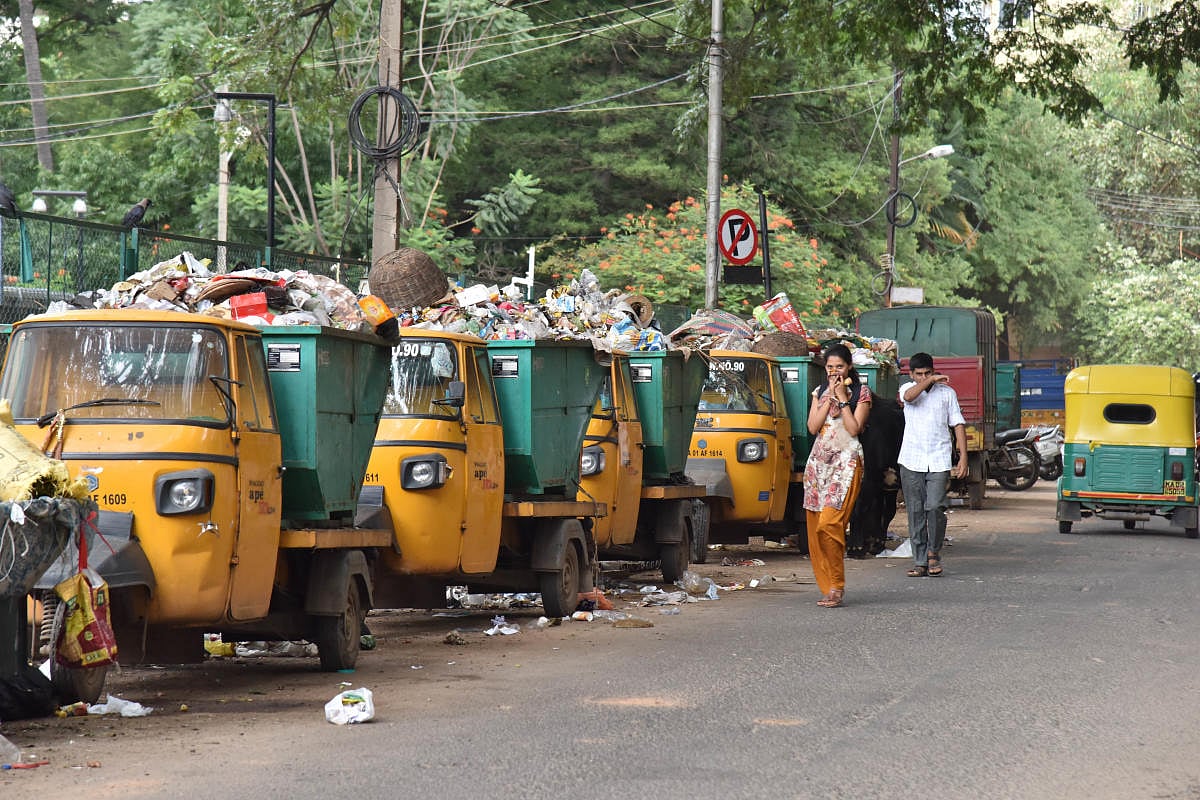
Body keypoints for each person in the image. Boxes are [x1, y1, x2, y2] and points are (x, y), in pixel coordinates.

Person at [803, 343, 872, 608]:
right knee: (815, 530)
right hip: (818, 466)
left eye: (839, 367)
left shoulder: (860, 393)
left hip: (846, 464)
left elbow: (854, 428)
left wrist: (843, 398)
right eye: (830, 367)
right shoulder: (819, 391)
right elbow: (812, 427)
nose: (834, 372)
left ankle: (838, 586)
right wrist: (828, 397)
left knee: (829, 524)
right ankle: (829, 587)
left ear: (849, 367)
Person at [897, 353, 968, 577]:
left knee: (935, 506)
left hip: (939, 458)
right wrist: (929, 382)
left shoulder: (947, 393)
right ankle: (920, 561)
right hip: (911, 459)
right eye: (920, 374)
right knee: (915, 510)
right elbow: (909, 397)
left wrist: (963, 457)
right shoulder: (907, 388)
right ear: (912, 374)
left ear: (933, 370)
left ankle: (933, 552)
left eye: (928, 373)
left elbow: (958, 424)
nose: (924, 377)